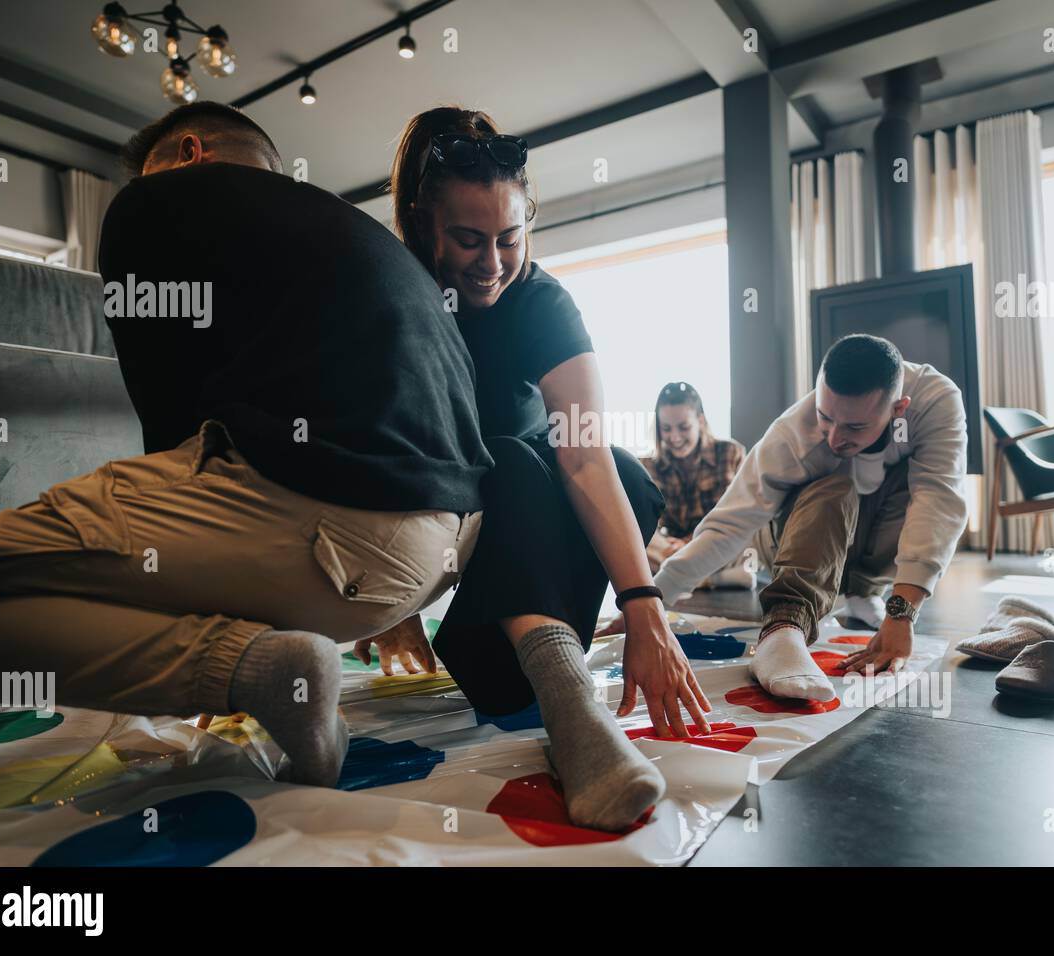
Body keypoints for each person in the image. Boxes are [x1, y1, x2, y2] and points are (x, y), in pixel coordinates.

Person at [0, 102, 492, 787]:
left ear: (186, 153)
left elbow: (172, 438)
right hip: (442, 555)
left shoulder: (156, 199)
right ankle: (260, 662)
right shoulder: (359, 238)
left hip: (337, 539)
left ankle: (253, 669)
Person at [378, 106, 711, 831]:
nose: (493, 263)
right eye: (468, 239)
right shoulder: (394, 293)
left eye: (510, 237)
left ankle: (559, 685)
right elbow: (383, 448)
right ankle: (568, 694)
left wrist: (643, 604)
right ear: (421, 220)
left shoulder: (543, 301)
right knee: (510, 463)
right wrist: (395, 604)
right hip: (463, 518)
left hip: (545, 528)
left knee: (625, 472)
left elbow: (585, 455)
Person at [606, 334, 968, 702]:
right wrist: (652, 597)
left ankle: (863, 591)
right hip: (799, 539)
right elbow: (729, 524)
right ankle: (783, 630)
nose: (835, 438)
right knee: (835, 486)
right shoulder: (792, 433)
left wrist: (902, 612)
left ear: (898, 408)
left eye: (854, 428)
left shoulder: (936, 401)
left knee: (918, 491)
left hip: (870, 546)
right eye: (825, 417)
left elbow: (938, 499)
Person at [641, 382, 750, 587]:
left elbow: (738, 516)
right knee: (635, 539)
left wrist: (690, 543)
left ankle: (677, 577)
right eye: (666, 429)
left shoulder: (730, 453)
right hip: (670, 550)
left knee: (747, 539)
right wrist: (675, 547)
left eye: (684, 427)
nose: (675, 437)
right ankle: (709, 581)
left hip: (714, 544)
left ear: (700, 421)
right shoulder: (648, 466)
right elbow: (647, 526)